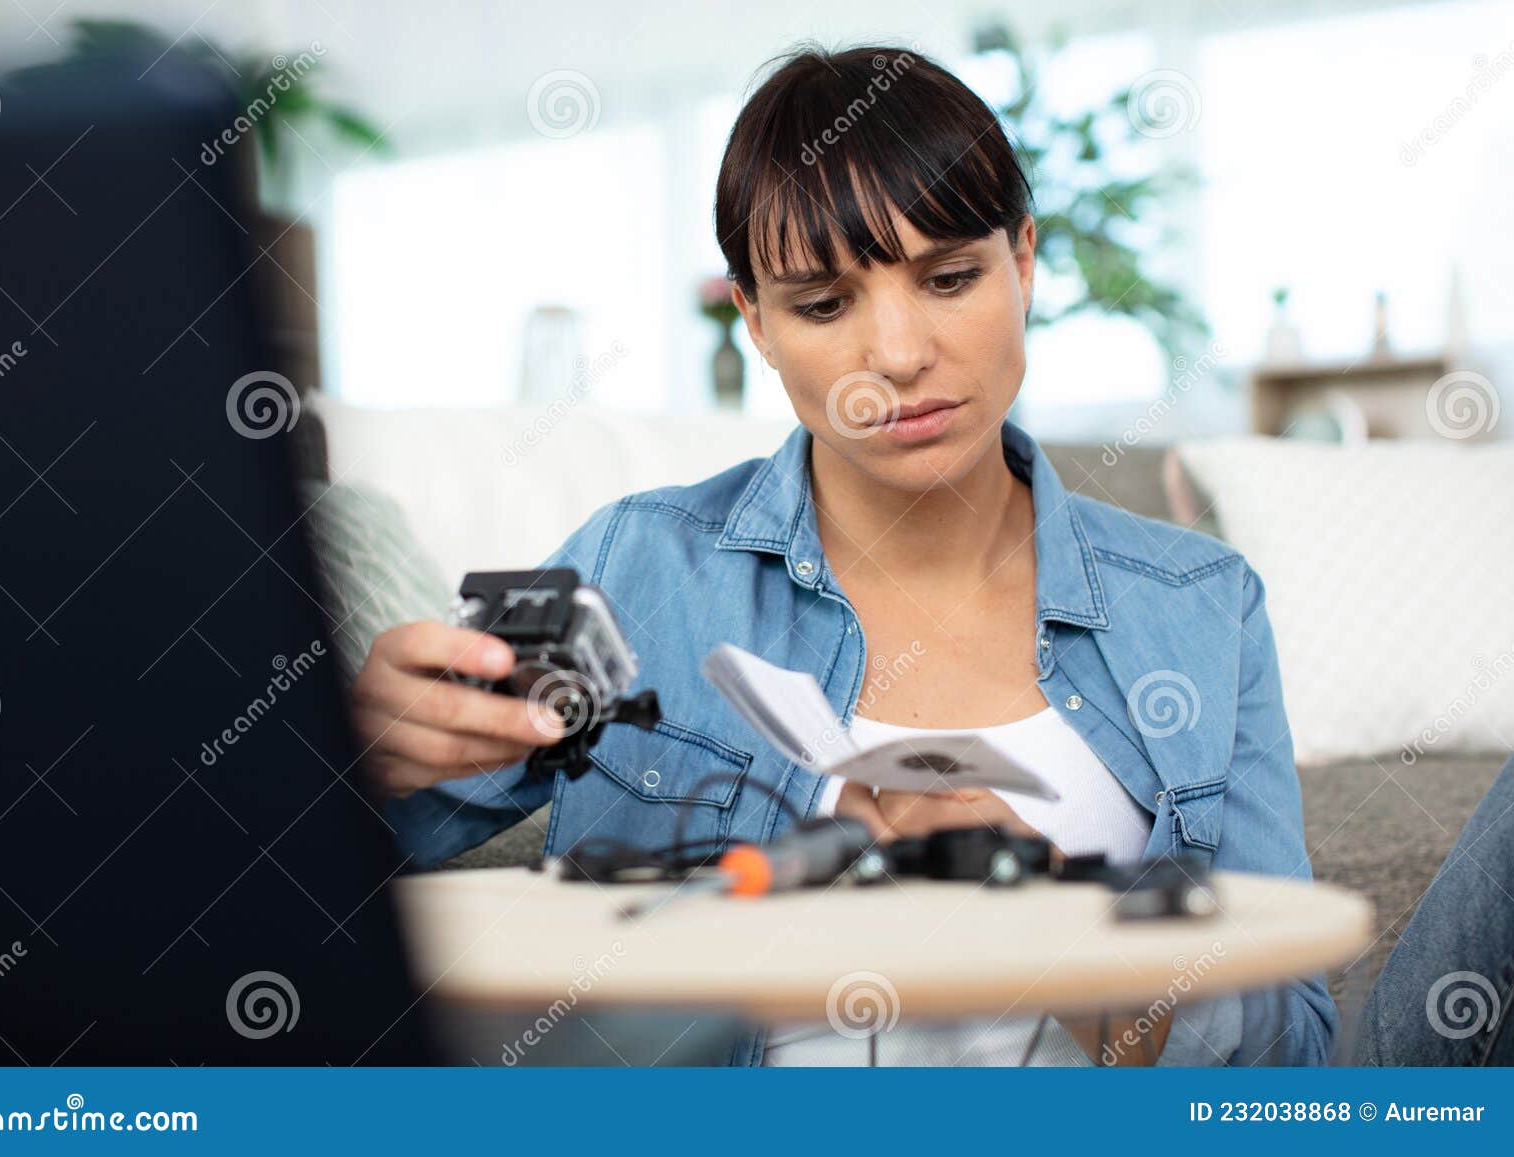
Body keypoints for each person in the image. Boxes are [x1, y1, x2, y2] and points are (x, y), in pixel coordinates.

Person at [345, 44, 1512, 1067]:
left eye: (950, 278)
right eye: (822, 304)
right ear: (755, 321)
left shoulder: (1202, 604)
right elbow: (285, 892)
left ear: (1024, 263)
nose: (898, 355)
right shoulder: (638, 564)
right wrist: (350, 755)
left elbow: (1283, 1070)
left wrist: (1066, 938)